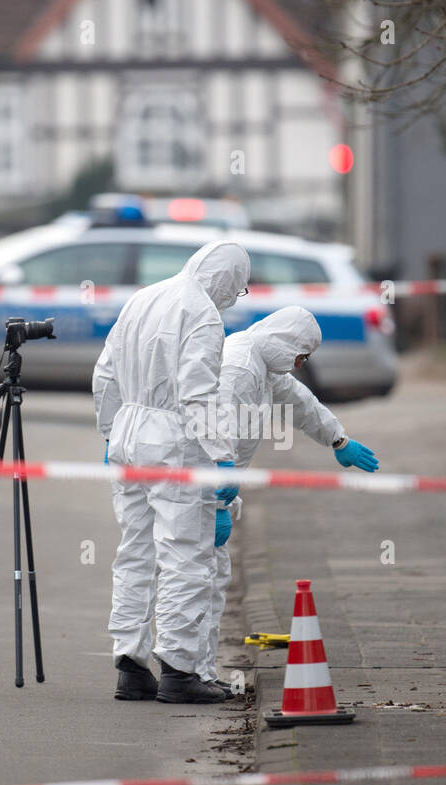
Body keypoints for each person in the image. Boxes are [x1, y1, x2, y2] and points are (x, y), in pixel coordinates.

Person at [92, 240, 250, 704]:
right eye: (237, 290)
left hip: (129, 436)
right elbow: (199, 393)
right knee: (184, 553)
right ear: (228, 280)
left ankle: (131, 664)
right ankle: (180, 671)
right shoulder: (201, 314)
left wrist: (110, 431)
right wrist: (222, 456)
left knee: (135, 551)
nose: (232, 298)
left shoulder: (142, 298)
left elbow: (105, 374)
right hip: (174, 443)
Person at [202, 306, 379, 690]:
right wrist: (215, 502)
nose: (300, 365)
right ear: (284, 342)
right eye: (301, 356)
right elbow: (216, 428)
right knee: (199, 580)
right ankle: (185, 674)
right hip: (205, 490)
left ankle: (193, 672)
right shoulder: (240, 368)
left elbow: (301, 404)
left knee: (210, 580)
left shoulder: (265, 366)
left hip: (216, 488)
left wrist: (338, 438)